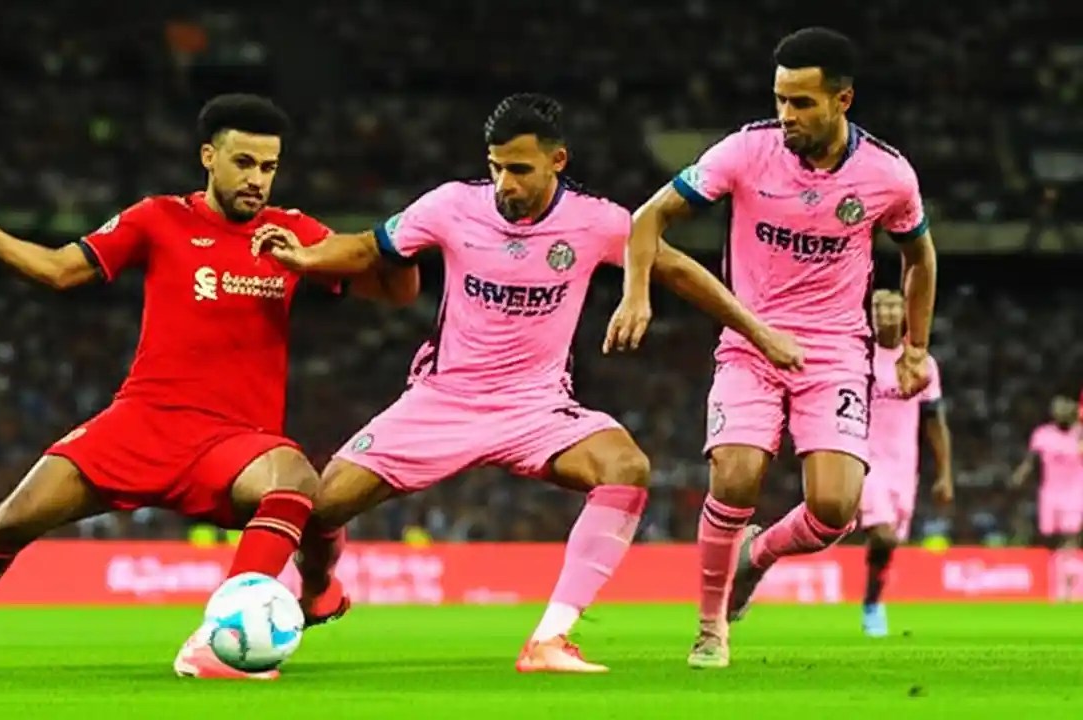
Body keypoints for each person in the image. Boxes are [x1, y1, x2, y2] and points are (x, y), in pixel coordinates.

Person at [0, 94, 417, 681]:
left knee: (296, 480)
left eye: (268, 167)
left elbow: (395, 290)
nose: (256, 180)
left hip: (236, 440)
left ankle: (219, 642)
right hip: (142, 423)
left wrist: (395, 240)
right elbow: (59, 271)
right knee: (11, 521)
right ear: (209, 157)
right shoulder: (158, 219)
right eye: (243, 163)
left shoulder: (293, 231)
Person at [256, 93, 800, 673]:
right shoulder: (451, 206)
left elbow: (675, 268)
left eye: (518, 169)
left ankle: (550, 639)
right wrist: (310, 259)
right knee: (318, 510)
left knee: (627, 466)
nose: (503, 183)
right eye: (495, 167)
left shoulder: (593, 221)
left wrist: (759, 333)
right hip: (443, 401)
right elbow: (369, 247)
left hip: (536, 408)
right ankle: (316, 591)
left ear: (556, 160)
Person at [611, 27, 938, 669]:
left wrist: (915, 346)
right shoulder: (745, 151)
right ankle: (711, 629)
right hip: (751, 341)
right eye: (781, 99)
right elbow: (649, 217)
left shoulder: (887, 175)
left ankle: (756, 556)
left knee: (836, 509)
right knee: (733, 477)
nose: (787, 114)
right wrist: (636, 291)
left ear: (842, 100)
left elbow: (919, 258)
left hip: (837, 352)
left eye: (803, 102)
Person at [858, 289, 952, 636]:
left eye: (893, 305)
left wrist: (944, 474)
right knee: (882, 536)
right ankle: (871, 602)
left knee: (889, 544)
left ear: (905, 311)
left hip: (903, 467)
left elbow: (934, 421)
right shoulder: (858, 358)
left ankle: (872, 601)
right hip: (866, 462)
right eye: (879, 305)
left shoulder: (921, 363)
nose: (885, 312)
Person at [1012, 394, 1083, 599]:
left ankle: (1073, 587)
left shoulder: (1079, 434)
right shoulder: (1042, 434)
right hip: (1050, 495)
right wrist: (1020, 475)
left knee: (1070, 539)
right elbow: (1031, 459)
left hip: (1075, 494)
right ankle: (1059, 582)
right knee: (1052, 541)